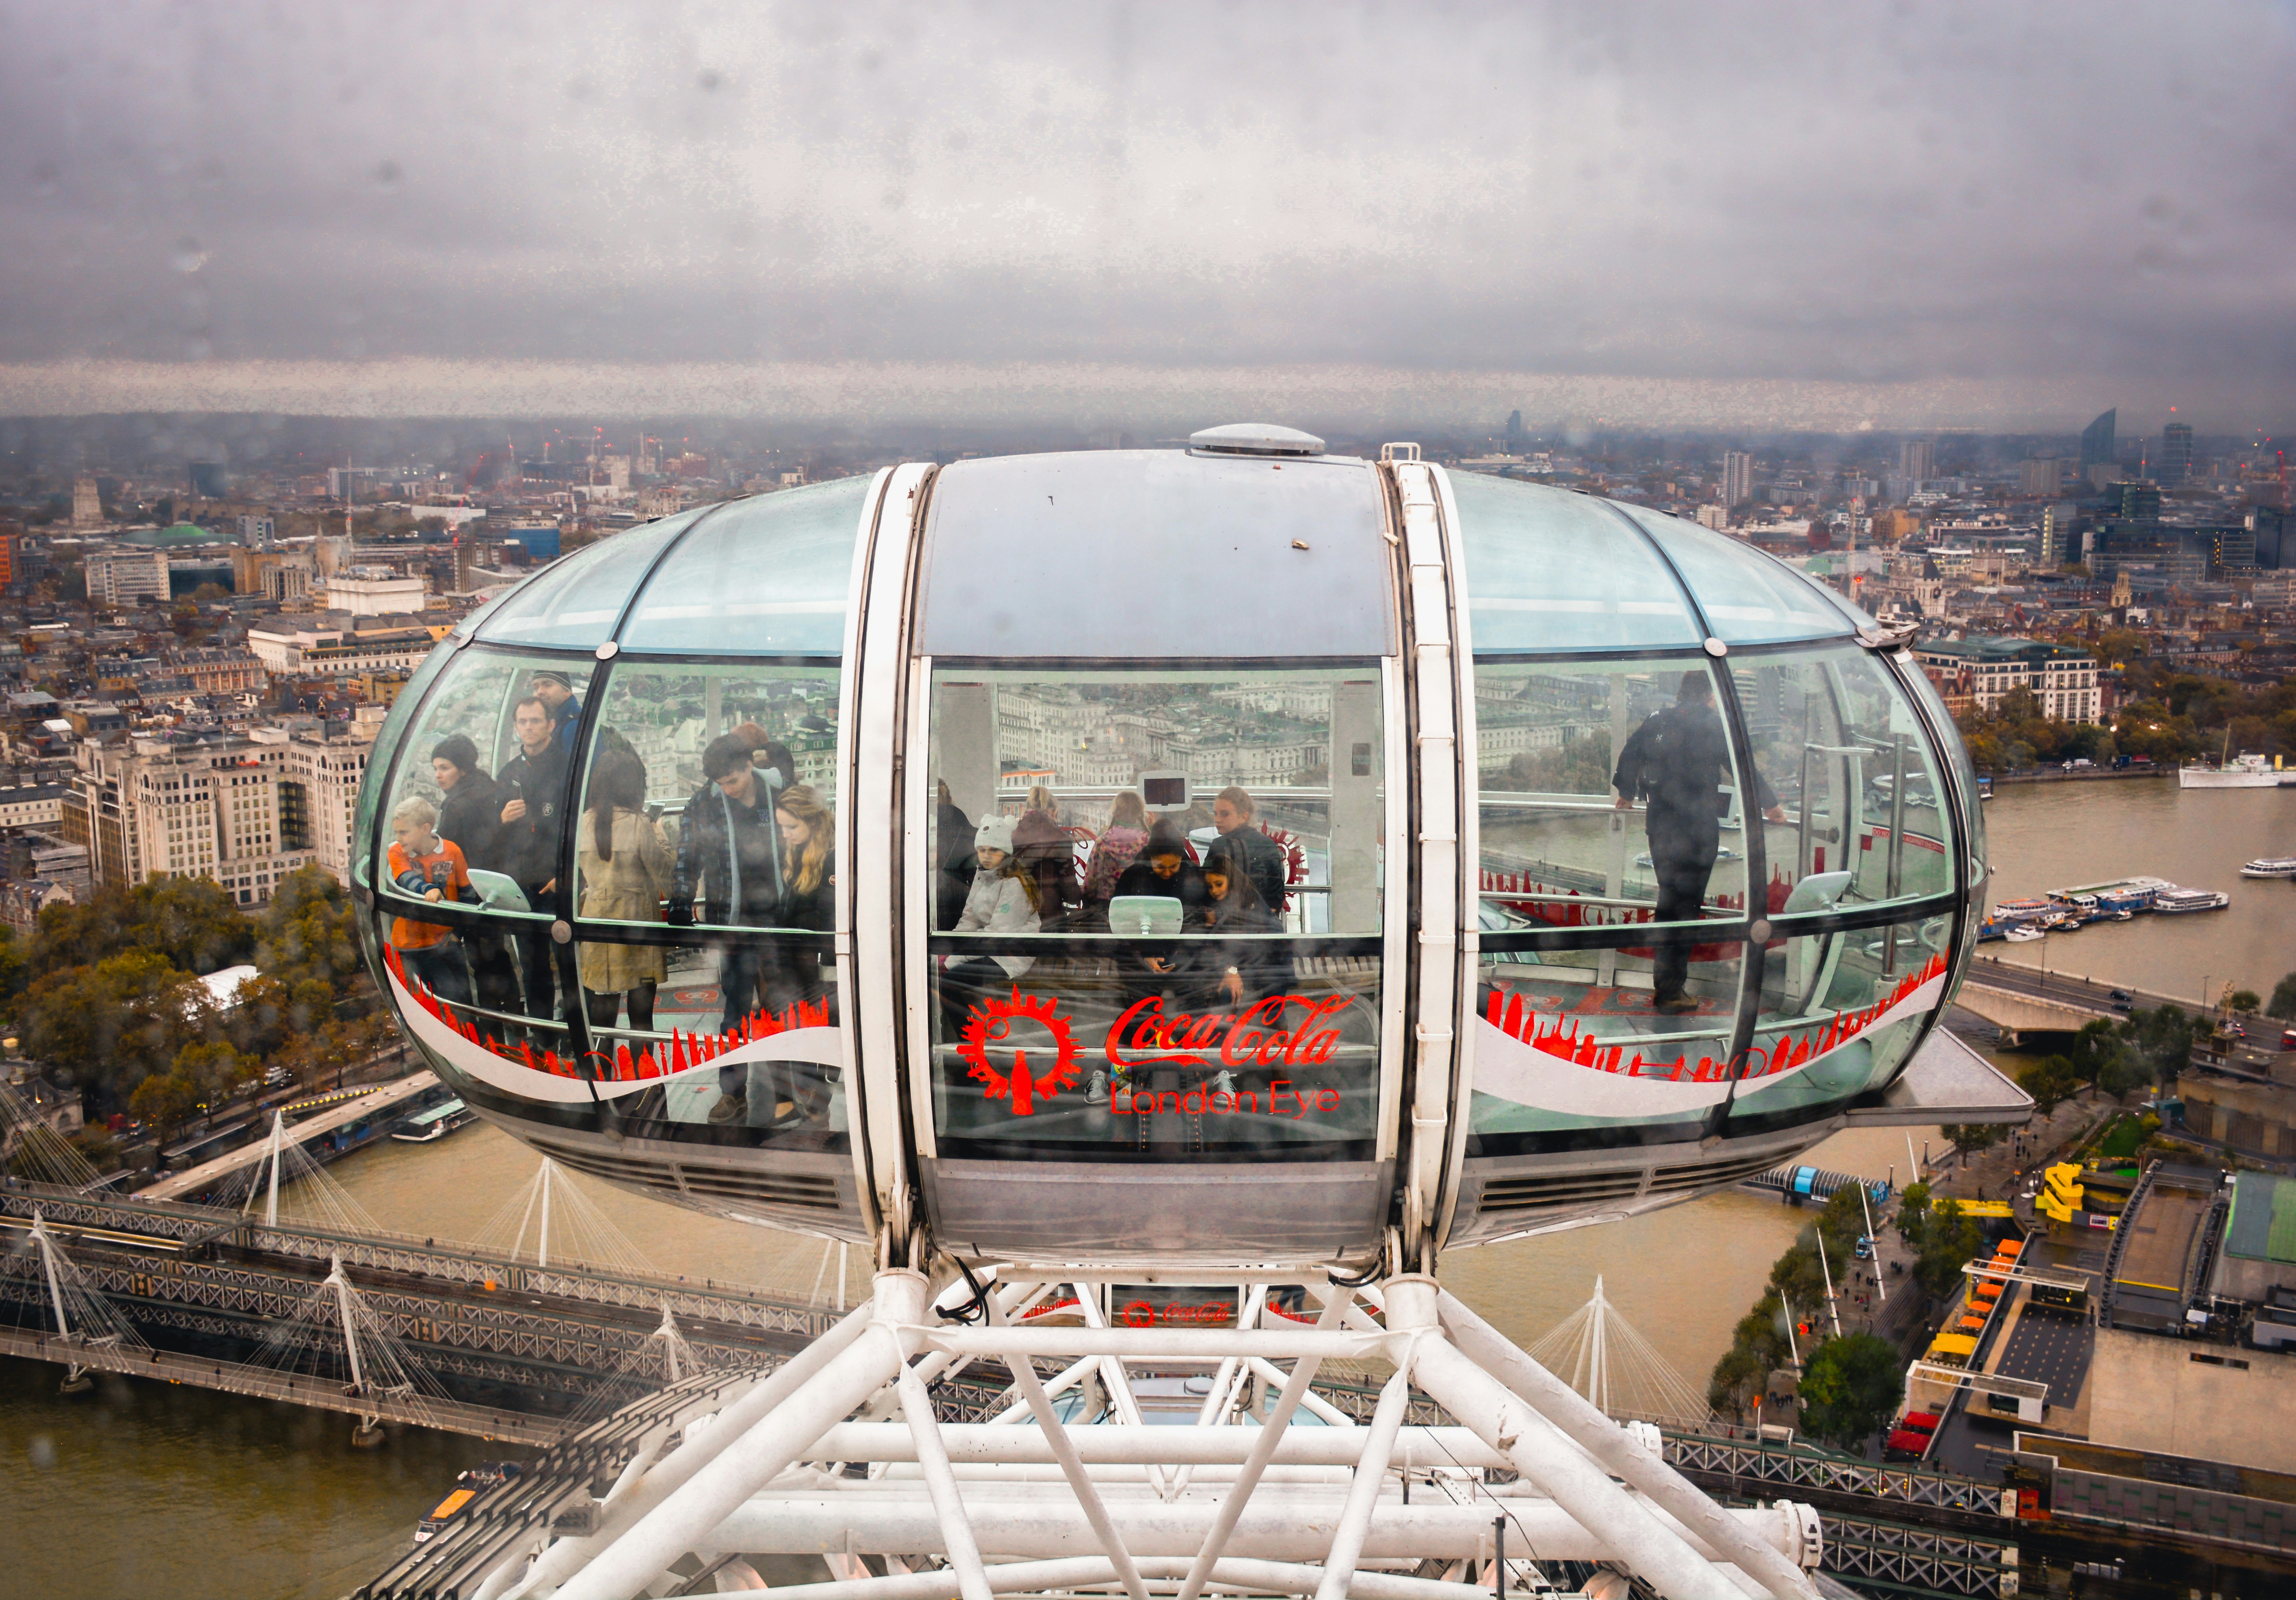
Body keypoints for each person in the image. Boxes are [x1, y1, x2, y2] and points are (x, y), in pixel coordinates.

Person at [1612, 670, 1786, 1014]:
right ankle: (1670, 991)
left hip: (1659, 826)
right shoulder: (1711, 724)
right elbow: (1742, 767)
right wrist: (1769, 804)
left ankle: (1667, 986)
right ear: (1710, 695)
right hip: (1696, 830)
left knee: (1668, 902)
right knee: (1686, 908)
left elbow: (1629, 754)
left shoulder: (1657, 718)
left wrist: (1627, 792)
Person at [668, 733, 789, 1123]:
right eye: (721, 783)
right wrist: (681, 901)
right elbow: (688, 854)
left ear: (750, 766)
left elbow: (806, 842)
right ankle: (732, 1093)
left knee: (782, 1005)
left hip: (780, 918)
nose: (728, 789)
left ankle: (787, 1091)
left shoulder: (779, 793)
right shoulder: (704, 802)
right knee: (734, 1010)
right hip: (731, 921)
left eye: (733, 780)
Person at [757, 784, 838, 1124]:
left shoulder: (833, 858)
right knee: (782, 1026)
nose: (786, 835)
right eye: (782, 828)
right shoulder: (801, 853)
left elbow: (830, 918)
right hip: (795, 959)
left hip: (815, 963)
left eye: (792, 827)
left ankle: (807, 1100)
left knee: (798, 1029)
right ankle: (799, 1099)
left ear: (813, 822)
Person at [576, 748, 670, 1036]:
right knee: (641, 1020)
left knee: (603, 1018)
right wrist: (659, 833)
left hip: (596, 923)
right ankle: (643, 1067)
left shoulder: (581, 822)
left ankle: (602, 1065)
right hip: (638, 924)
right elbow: (665, 875)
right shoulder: (639, 823)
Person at [429, 733, 519, 1018]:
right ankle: (514, 1014)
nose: (438, 775)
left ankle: (493, 1021)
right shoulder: (490, 788)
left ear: (463, 769)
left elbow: (446, 852)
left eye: (445, 768)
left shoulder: (457, 804)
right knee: (498, 956)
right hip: (497, 884)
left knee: (481, 962)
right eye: (436, 768)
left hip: (471, 891)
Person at [497, 695, 575, 1021]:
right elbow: (494, 837)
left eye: (536, 721)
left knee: (569, 961)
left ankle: (575, 1027)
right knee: (532, 965)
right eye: (523, 722)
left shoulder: (569, 768)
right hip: (522, 884)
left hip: (558, 882)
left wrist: (567, 874)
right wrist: (502, 820)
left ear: (551, 725)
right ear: (516, 727)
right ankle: (542, 1032)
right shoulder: (508, 773)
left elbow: (579, 825)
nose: (529, 728)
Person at [940, 815, 1040, 1046]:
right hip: (987, 947)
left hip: (1010, 954)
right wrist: (950, 946)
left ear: (1006, 853)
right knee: (939, 977)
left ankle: (972, 1044)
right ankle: (972, 1038)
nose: (986, 856)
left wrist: (953, 960)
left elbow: (998, 934)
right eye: (982, 850)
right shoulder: (983, 876)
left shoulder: (1014, 884)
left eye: (993, 850)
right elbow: (970, 918)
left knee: (949, 984)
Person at [386, 796, 477, 1009]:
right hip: (411, 945)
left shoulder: (452, 851)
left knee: (463, 1001)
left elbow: (468, 894)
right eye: (397, 832)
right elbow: (406, 879)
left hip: (447, 941)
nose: (399, 838)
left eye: (404, 832)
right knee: (435, 1005)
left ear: (425, 829)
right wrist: (428, 889)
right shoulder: (397, 851)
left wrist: (458, 934)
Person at [1206, 786, 1290, 919]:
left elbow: (1206, 893)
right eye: (1216, 814)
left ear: (1243, 817)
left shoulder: (1219, 846)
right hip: (1262, 923)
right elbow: (1275, 901)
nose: (1218, 819)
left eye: (1225, 814)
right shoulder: (1269, 845)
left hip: (1227, 923)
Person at [1012, 784, 1080, 931]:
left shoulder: (1012, 835)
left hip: (1015, 915)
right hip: (1050, 918)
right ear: (1053, 811)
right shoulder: (1060, 838)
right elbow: (1071, 893)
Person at [1080, 790, 1151, 923]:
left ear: (1115, 812)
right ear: (1140, 812)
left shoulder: (1103, 841)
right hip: (1139, 905)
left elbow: (1091, 878)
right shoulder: (1147, 841)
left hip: (1107, 907)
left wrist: (1087, 901)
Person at [934, 778, 974, 931]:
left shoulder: (922, 821)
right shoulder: (960, 820)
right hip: (960, 894)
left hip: (930, 894)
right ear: (950, 798)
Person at [530, 670, 584, 758]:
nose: (539, 692)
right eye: (536, 688)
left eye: (547, 685)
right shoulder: (555, 723)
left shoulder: (575, 727)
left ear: (567, 691)